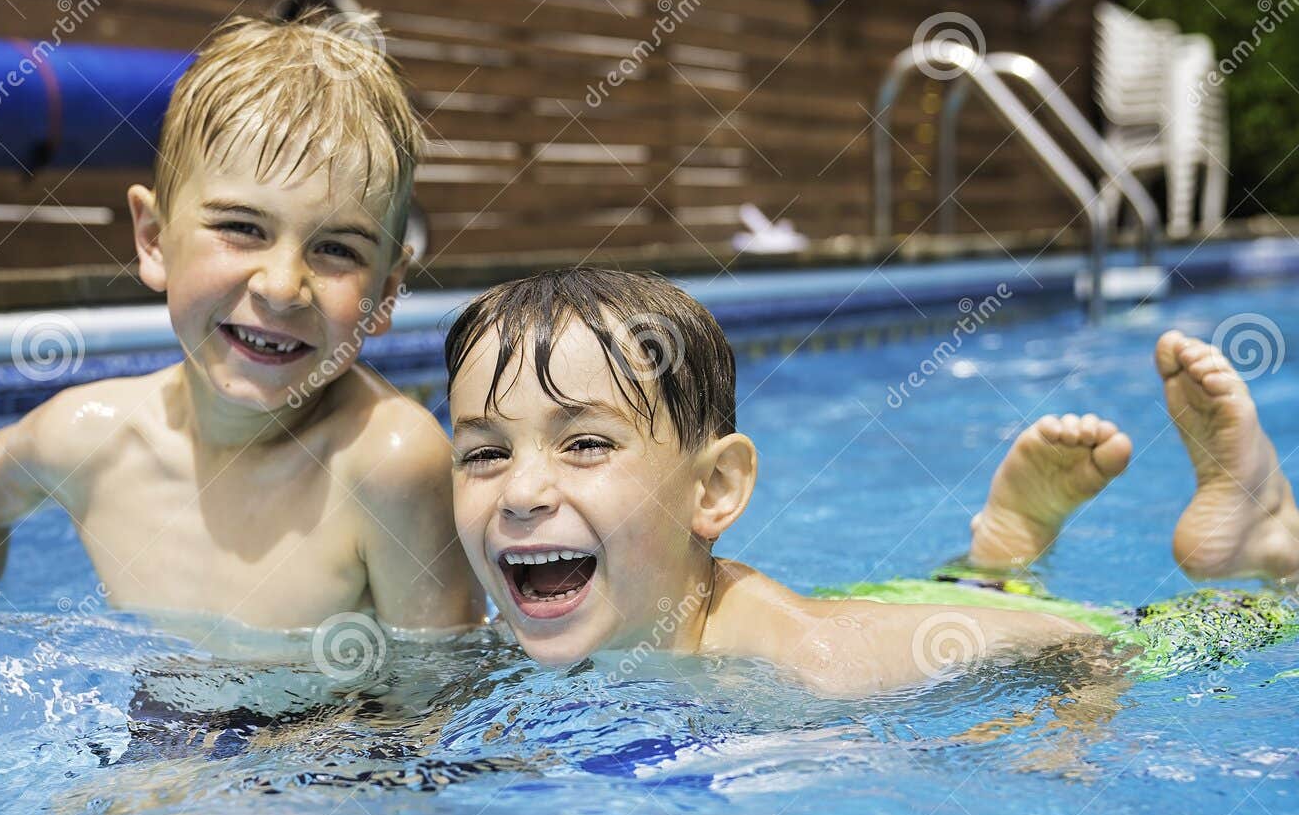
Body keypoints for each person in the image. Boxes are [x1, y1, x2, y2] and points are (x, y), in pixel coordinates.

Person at [443, 268, 1299, 696]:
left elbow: (1081, 650)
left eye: (584, 443)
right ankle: (997, 553)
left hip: (1094, 633)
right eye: (484, 453)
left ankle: (1266, 536)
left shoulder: (817, 663)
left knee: (1259, 622)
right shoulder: (554, 624)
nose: (521, 492)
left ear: (714, 491)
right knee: (936, 599)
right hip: (891, 600)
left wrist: (1061, 742)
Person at [0, 13, 483, 634]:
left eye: (338, 250)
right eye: (242, 228)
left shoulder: (387, 468)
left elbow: (434, 704)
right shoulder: (88, 440)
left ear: (385, 290)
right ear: (155, 238)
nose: (280, 286)